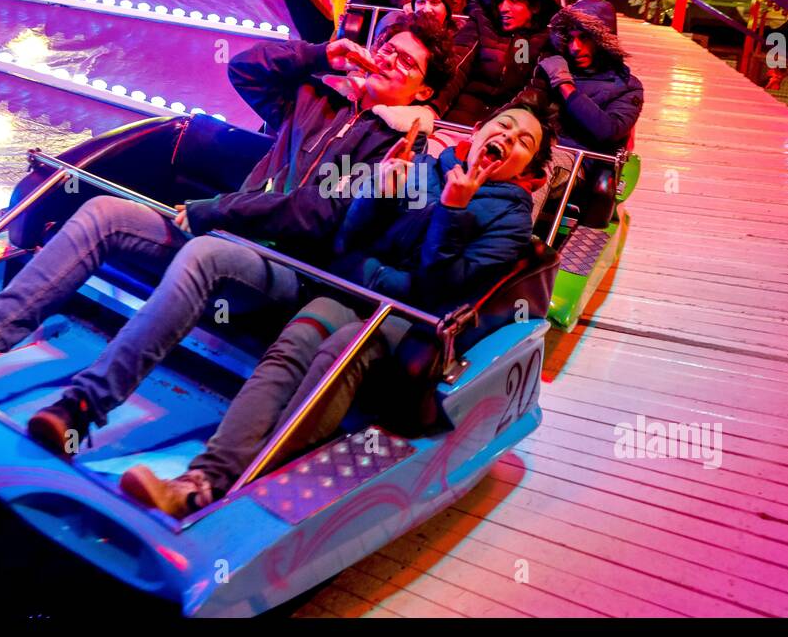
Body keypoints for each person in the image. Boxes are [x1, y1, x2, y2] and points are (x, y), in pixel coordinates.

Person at [0, 16, 454, 454]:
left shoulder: (390, 148)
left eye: (405, 65)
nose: (386, 62)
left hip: (288, 270)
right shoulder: (314, 99)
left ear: (424, 94)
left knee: (202, 250)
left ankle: (81, 406)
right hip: (223, 232)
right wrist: (319, 52)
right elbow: (245, 69)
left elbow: (312, 216)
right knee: (102, 214)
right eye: (386, 49)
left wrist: (214, 209)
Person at [119, 91, 560, 517]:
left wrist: (452, 211)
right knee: (296, 341)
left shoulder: (511, 221)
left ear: (528, 173)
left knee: (343, 348)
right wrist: (377, 196)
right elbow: (349, 241)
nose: (509, 137)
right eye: (505, 125)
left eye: (525, 142)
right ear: (479, 131)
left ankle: (246, 491)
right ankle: (203, 479)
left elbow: (436, 288)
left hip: (411, 322)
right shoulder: (425, 168)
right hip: (360, 292)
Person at [435, 0, 561, 124]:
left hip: (502, 130)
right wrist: (434, 107)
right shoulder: (483, 23)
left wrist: (493, 123)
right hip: (457, 122)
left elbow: (532, 92)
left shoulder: (540, 43)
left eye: (514, 0)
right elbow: (456, 68)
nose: (503, 7)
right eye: (501, 0)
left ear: (536, 6)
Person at [537, 0, 643, 153]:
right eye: (570, 39)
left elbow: (608, 131)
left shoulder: (627, 87)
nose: (575, 47)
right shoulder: (555, 66)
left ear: (603, 40)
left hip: (578, 161)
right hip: (533, 150)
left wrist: (565, 86)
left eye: (584, 38)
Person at [372, 0, 456, 42]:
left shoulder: (458, 37)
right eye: (420, 2)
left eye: (434, 2)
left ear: (447, 9)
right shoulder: (397, 30)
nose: (426, 9)